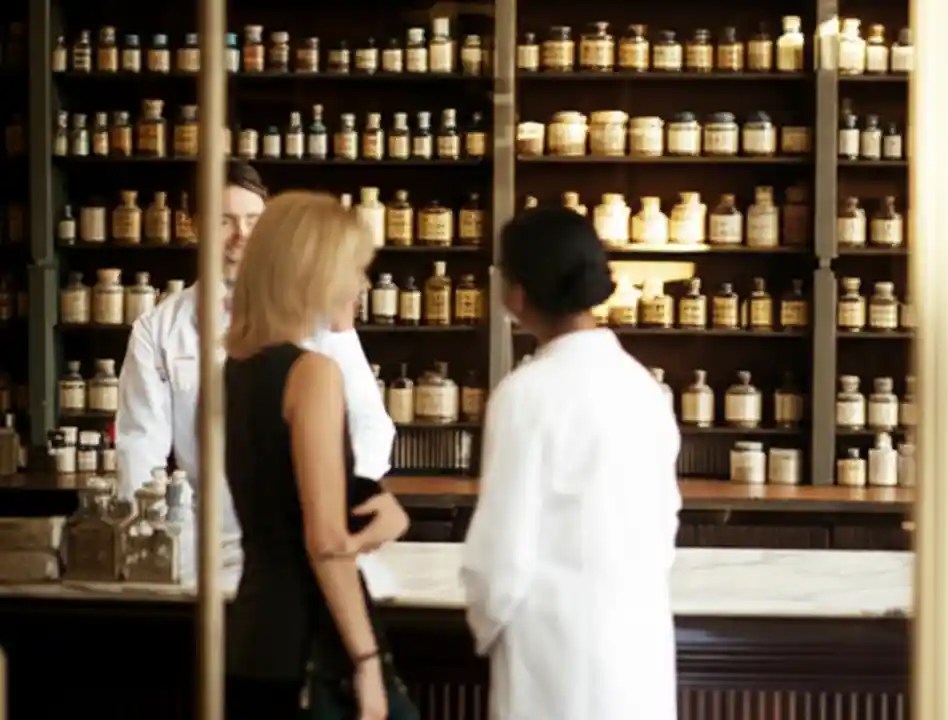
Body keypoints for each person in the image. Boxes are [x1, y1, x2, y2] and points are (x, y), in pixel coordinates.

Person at [114, 162, 395, 569]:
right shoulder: (158, 330)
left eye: (252, 220)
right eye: (224, 221)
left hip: (310, 536)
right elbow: (140, 448)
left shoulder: (317, 314)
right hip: (203, 545)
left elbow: (370, 424)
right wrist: (158, 542)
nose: (241, 236)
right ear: (192, 226)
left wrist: (340, 501)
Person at [461, 207, 682, 720]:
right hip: (637, 645)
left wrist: (486, 619)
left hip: (553, 659)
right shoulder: (643, 388)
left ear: (515, 295)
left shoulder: (526, 395)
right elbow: (664, 521)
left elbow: (502, 554)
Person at [222, 192, 415, 718]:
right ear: (315, 273)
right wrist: (368, 661)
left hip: (253, 641)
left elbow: (282, 495)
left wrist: (371, 503)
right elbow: (325, 542)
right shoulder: (312, 374)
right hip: (313, 650)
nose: (361, 285)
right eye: (354, 269)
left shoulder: (239, 366)